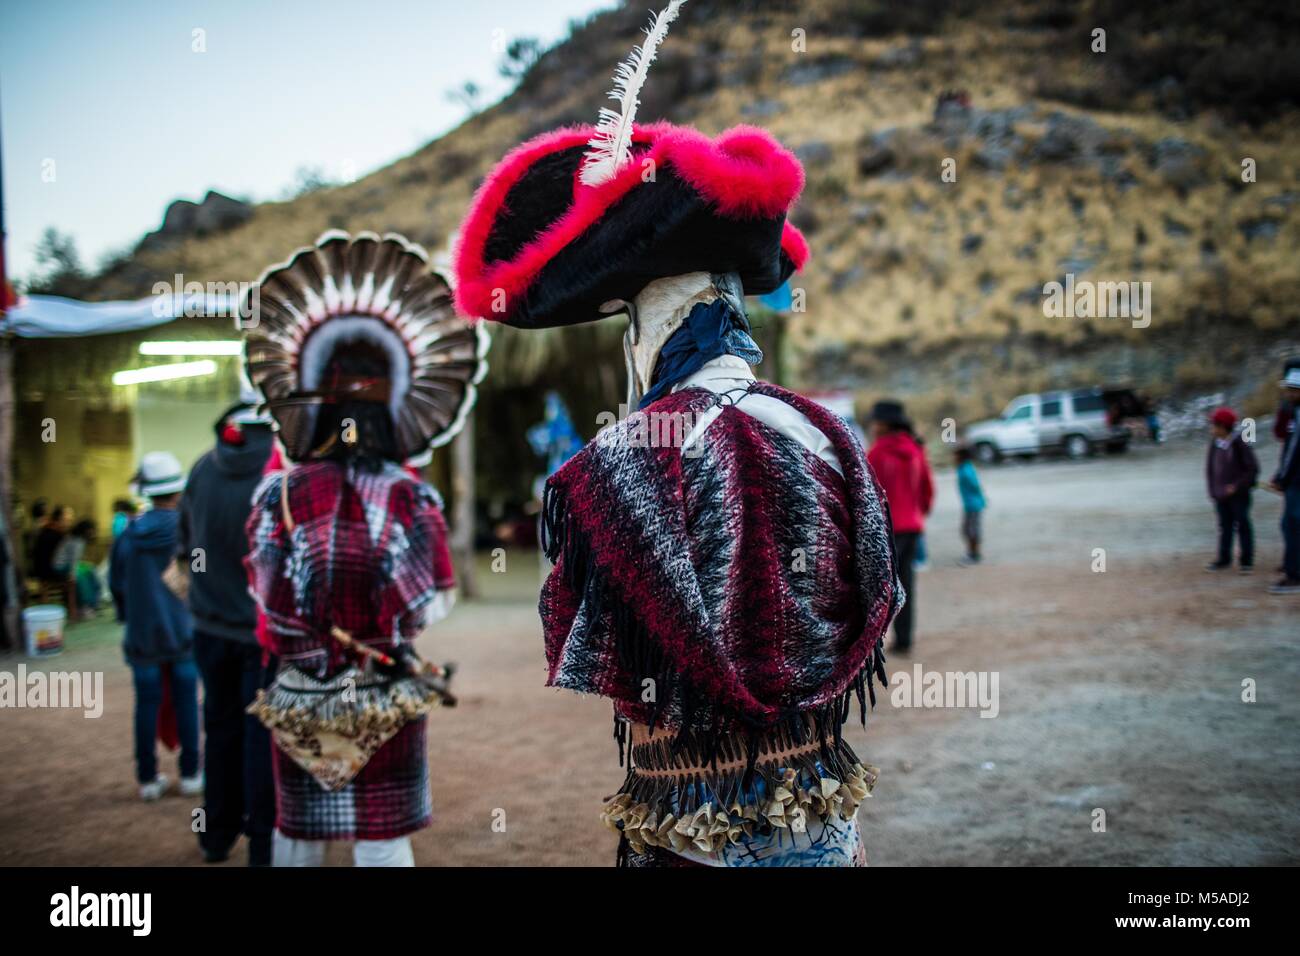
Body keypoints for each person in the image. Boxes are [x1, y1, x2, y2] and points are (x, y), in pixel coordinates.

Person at [454, 0, 901, 868]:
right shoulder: (831, 437)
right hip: (821, 814)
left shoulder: (612, 466)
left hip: (687, 826)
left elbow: (596, 649)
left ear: (640, 328)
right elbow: (882, 601)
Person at [241, 230, 486, 867]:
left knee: (295, 838)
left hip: (300, 686)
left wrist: (314, 643)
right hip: (385, 687)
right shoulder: (411, 496)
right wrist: (380, 629)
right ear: (394, 403)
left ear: (315, 401)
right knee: (384, 842)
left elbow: (265, 604)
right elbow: (433, 604)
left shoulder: (278, 495)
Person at [178, 398, 277, 865]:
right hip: (260, 636)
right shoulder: (278, 472)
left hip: (208, 628)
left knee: (218, 727)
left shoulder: (201, 468)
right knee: (263, 735)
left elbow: (184, 545)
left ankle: (216, 835)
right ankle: (263, 845)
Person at [109, 452, 202, 801]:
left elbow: (117, 584)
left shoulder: (128, 535)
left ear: (148, 492)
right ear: (177, 491)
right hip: (183, 633)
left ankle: (148, 779)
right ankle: (192, 774)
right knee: (187, 702)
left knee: (146, 704)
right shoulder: (189, 530)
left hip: (142, 636)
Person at [867, 400, 934, 653]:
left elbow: (867, 493)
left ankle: (871, 643)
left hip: (887, 530)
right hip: (912, 528)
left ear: (884, 425)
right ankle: (904, 640)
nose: (872, 426)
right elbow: (927, 490)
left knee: (877, 587)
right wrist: (918, 515)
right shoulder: (916, 450)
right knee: (906, 584)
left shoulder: (877, 453)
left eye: (875, 422)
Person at [1204, 407, 1258, 575]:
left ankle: (1246, 561)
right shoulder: (1215, 444)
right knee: (1224, 526)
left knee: (1242, 524)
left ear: (1223, 426)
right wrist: (1213, 490)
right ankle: (1224, 558)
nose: (1211, 429)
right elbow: (1210, 469)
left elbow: (1252, 469)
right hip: (1221, 495)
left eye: (1214, 425)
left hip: (1238, 495)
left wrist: (1237, 486)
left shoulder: (1239, 443)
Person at [1267, 368, 1300, 594]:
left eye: (1291, 389)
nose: (1287, 393)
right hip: (1295, 479)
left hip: (1297, 480)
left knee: (1292, 525)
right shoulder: (1293, 413)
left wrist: (1282, 477)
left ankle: (1295, 574)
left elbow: (1294, 451)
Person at [52, 518, 100, 616]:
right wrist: (72, 575)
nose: (93, 532)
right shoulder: (77, 541)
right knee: (82, 578)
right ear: (87, 530)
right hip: (61, 567)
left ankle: (92, 604)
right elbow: (73, 561)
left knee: (91, 570)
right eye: (92, 530)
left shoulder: (74, 537)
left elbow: (75, 560)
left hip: (65, 564)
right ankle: (84, 606)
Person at [955, 445, 986, 564]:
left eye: (956, 455)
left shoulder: (966, 469)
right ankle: (972, 552)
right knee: (967, 530)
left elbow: (975, 485)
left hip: (973, 505)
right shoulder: (964, 468)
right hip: (970, 505)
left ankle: (974, 554)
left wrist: (978, 498)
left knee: (972, 530)